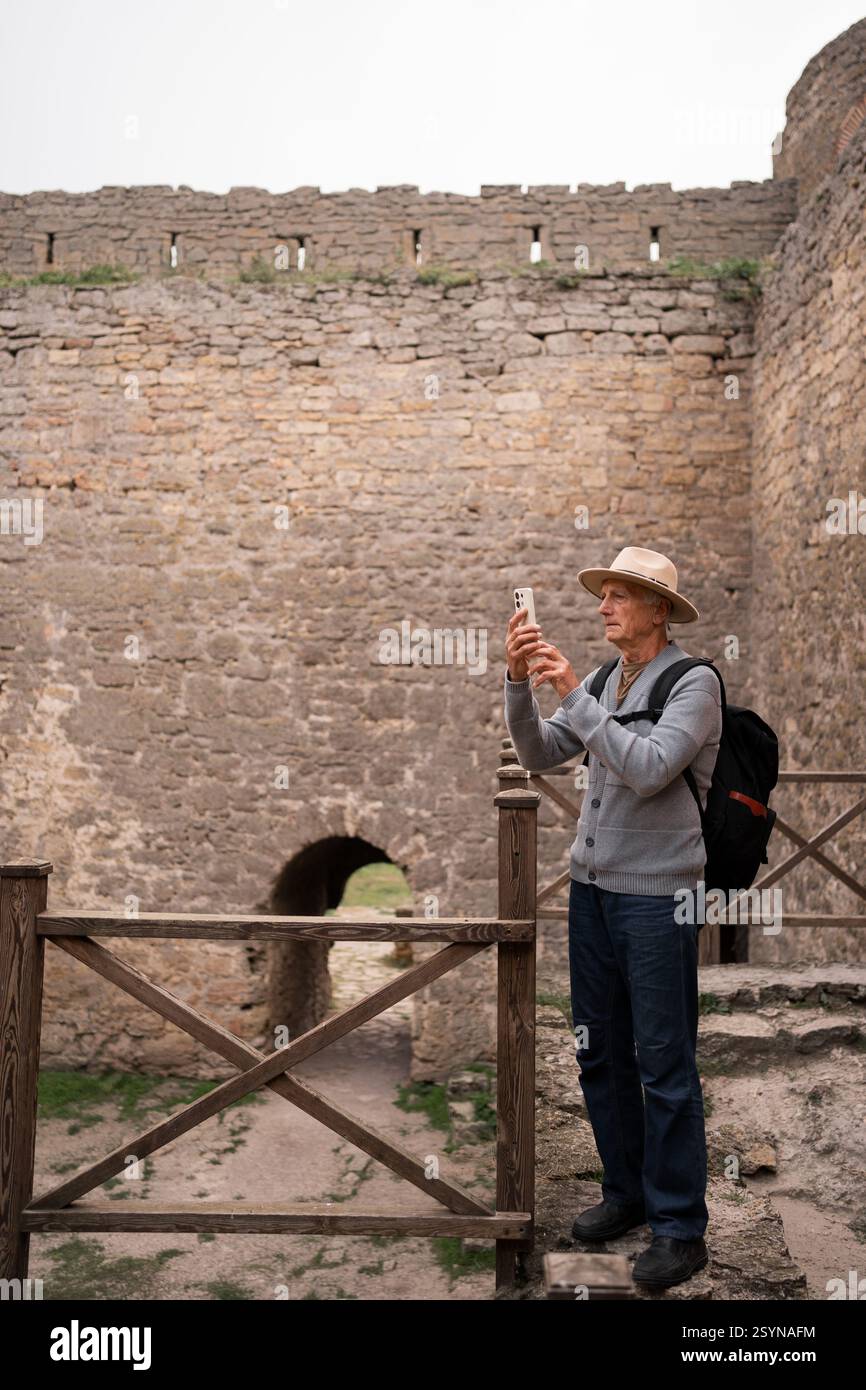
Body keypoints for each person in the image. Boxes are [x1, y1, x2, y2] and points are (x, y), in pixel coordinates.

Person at [503, 546, 722, 1289]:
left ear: (658, 610)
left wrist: (574, 692)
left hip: (661, 899)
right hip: (594, 892)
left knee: (664, 1065)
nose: (604, 606)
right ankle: (625, 1193)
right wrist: (517, 682)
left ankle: (680, 1227)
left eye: (620, 595)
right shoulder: (602, 678)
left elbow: (651, 766)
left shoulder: (695, 684)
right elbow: (536, 753)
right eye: (604, 595)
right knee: (599, 1053)